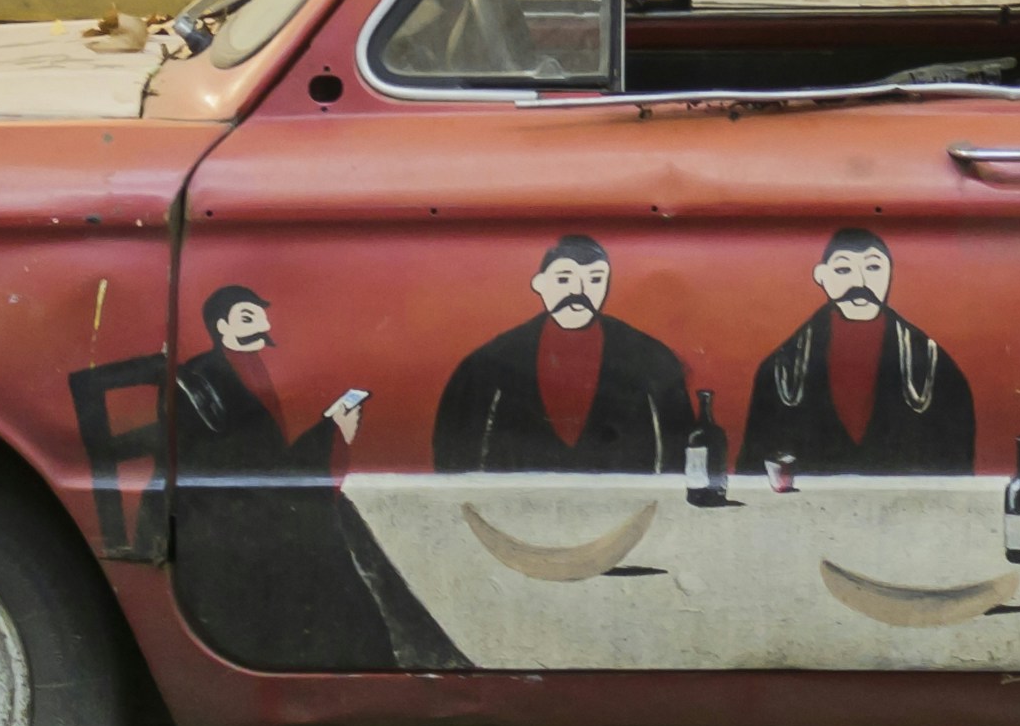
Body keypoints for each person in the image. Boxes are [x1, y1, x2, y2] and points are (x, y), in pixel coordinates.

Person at [164, 285, 462, 672]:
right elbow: (244, 462)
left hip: (258, 498)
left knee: (354, 534)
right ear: (221, 327)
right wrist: (330, 433)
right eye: (248, 317)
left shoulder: (249, 366)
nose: (263, 324)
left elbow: (267, 458)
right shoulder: (206, 380)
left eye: (261, 316)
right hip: (232, 515)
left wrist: (329, 429)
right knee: (342, 545)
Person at [432, 233, 700, 475]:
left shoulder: (652, 361)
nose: (578, 292)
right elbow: (455, 460)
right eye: (564, 278)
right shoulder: (486, 367)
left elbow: (678, 458)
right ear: (539, 284)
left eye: (595, 279)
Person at [743, 225, 978, 477]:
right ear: (821, 276)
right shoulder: (781, 369)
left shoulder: (934, 366)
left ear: (890, 273)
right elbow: (755, 469)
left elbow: (956, 468)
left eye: (873, 267)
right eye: (844, 269)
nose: (860, 283)